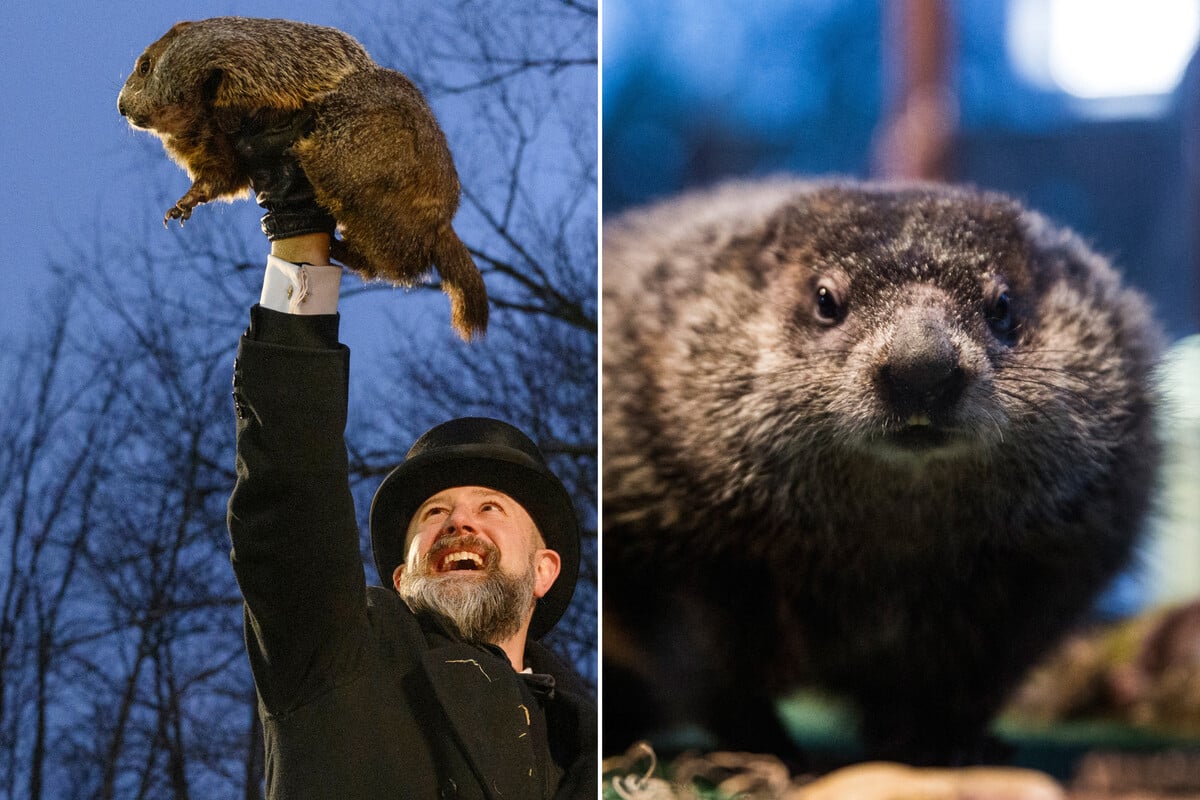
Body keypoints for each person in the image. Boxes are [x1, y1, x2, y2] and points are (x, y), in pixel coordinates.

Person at [226, 116, 596, 799]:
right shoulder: (339, 657)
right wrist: (303, 252)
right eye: (435, 512)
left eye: (491, 507)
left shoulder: (596, 747)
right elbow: (290, 484)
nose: (461, 522)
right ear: (400, 578)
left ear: (544, 569)